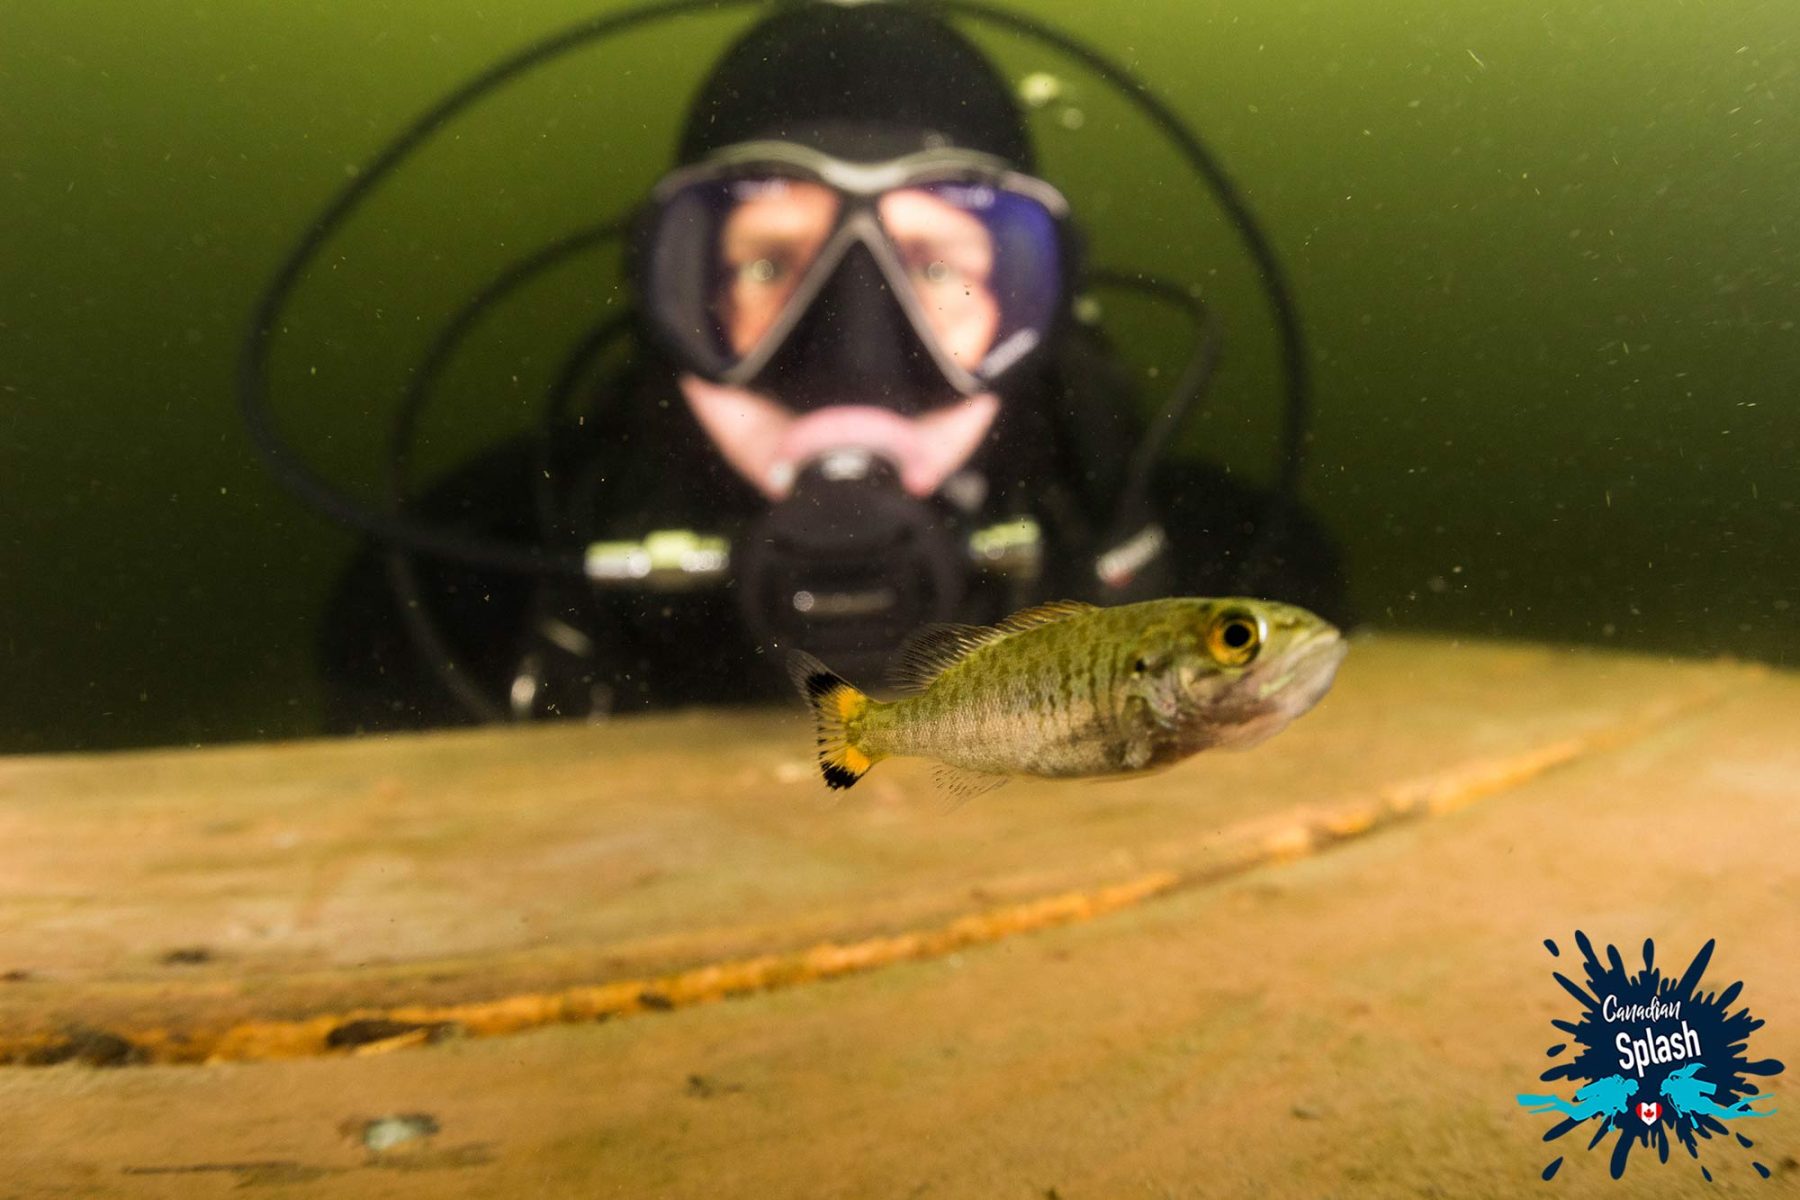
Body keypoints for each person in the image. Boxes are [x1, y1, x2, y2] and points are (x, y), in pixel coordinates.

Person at [319, 1, 1350, 733]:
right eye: (771, 261)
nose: (855, 352)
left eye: (937, 264)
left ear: (1041, 311)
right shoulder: (454, 588)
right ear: (672, 298)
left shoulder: (1241, 567)